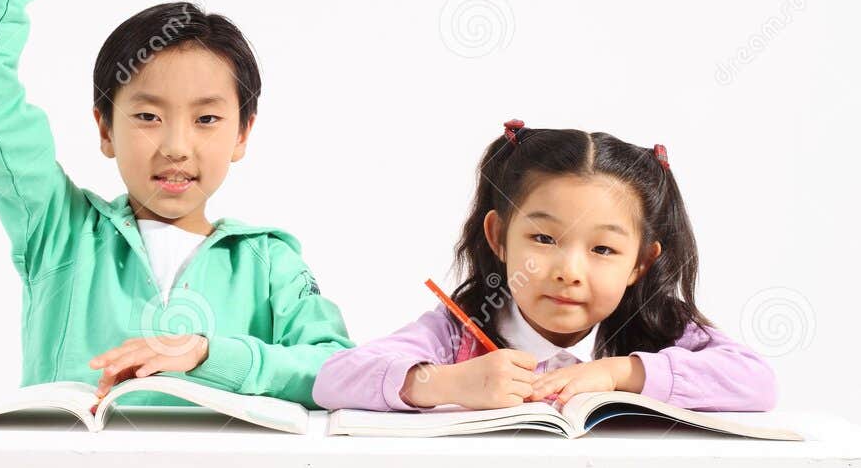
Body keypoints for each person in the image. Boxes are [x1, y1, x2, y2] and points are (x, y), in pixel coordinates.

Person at [0, 0, 351, 408]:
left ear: (243, 133)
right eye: (146, 115)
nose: (176, 146)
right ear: (103, 129)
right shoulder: (59, 233)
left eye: (207, 120)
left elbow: (337, 368)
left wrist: (207, 352)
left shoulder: (270, 264)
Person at [313, 119, 775, 414]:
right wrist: (448, 382)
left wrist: (619, 374)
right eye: (543, 238)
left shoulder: (660, 331)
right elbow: (334, 379)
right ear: (498, 238)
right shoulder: (460, 332)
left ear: (640, 263)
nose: (569, 270)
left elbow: (757, 383)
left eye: (604, 250)